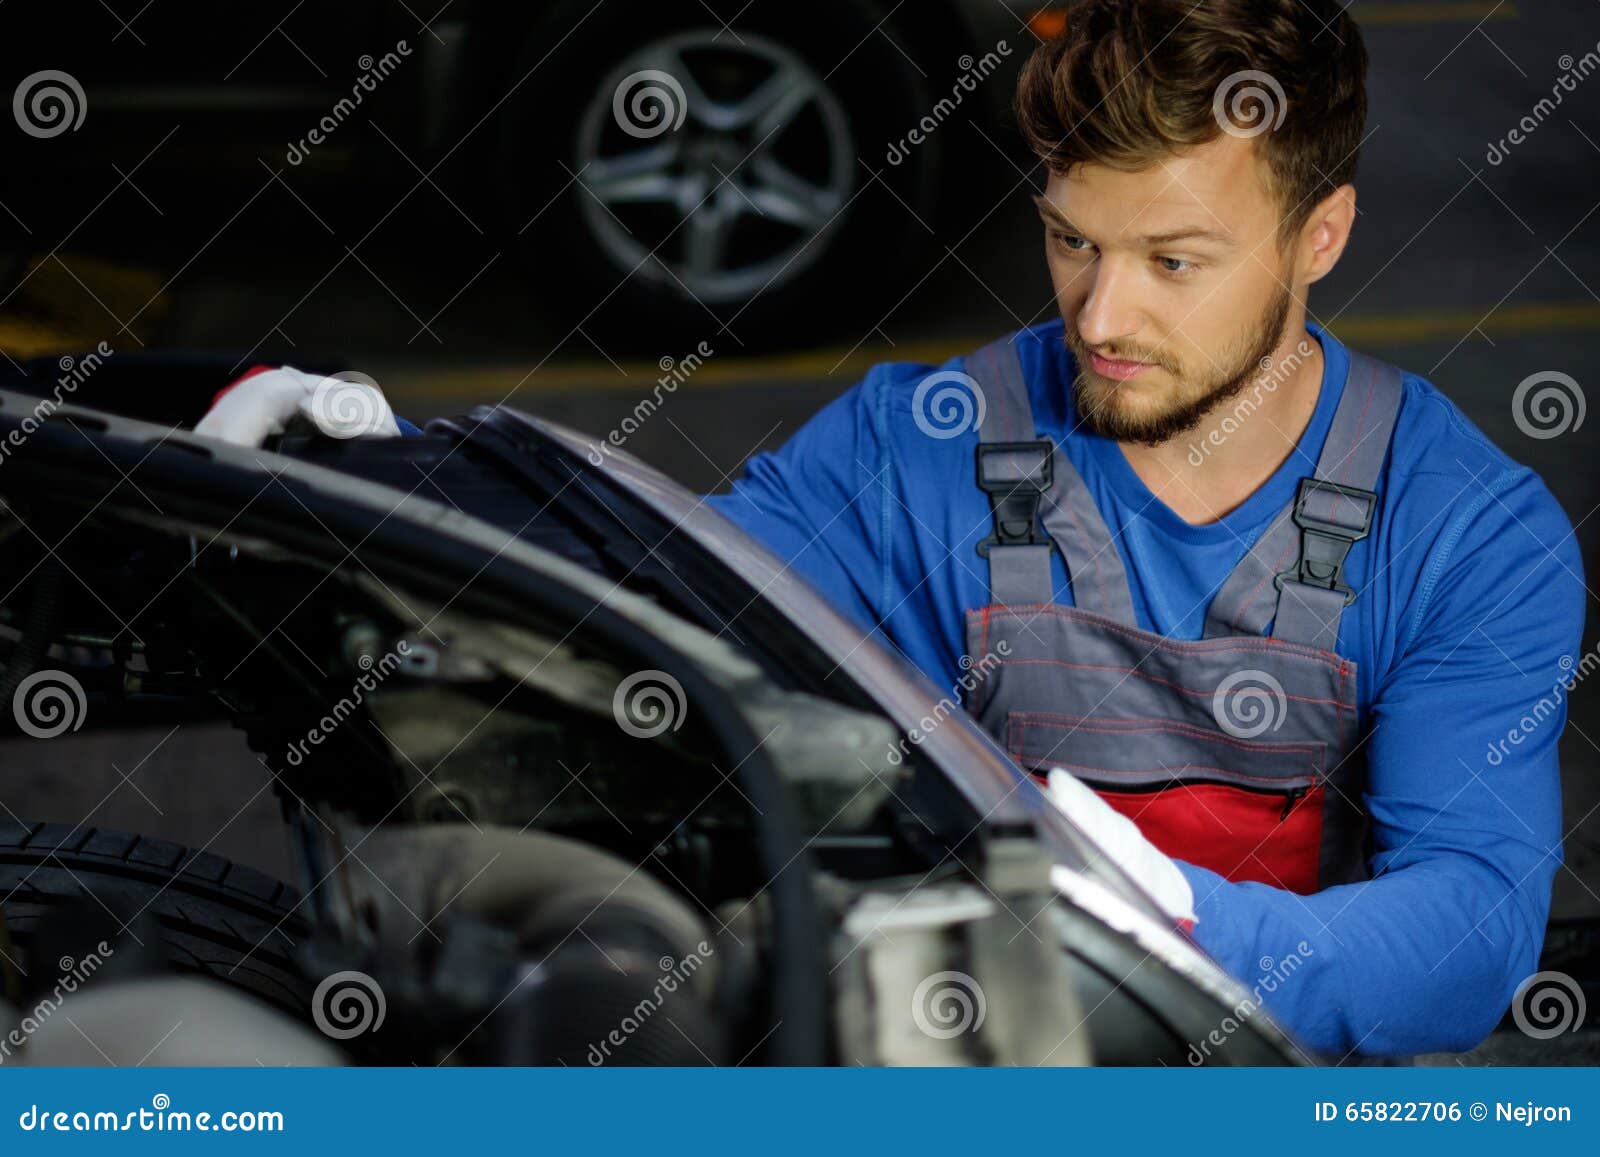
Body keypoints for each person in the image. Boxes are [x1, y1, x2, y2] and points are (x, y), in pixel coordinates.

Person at [196, 0, 1584, 1062]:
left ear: (1320, 235)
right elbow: (657, 577)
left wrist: (1164, 930)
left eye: (1173, 261)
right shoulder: (917, 449)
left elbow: (1465, 922)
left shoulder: (1468, 534)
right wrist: (400, 486)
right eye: (1070, 241)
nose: (1099, 318)